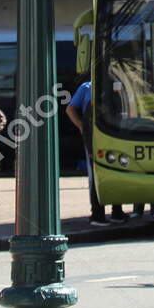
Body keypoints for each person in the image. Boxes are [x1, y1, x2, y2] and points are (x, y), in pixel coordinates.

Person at [67, 81, 126, 225]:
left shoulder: (111, 87)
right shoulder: (89, 88)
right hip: (99, 139)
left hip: (105, 138)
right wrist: (81, 126)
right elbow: (71, 109)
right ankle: (99, 213)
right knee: (99, 175)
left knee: (112, 174)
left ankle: (115, 211)